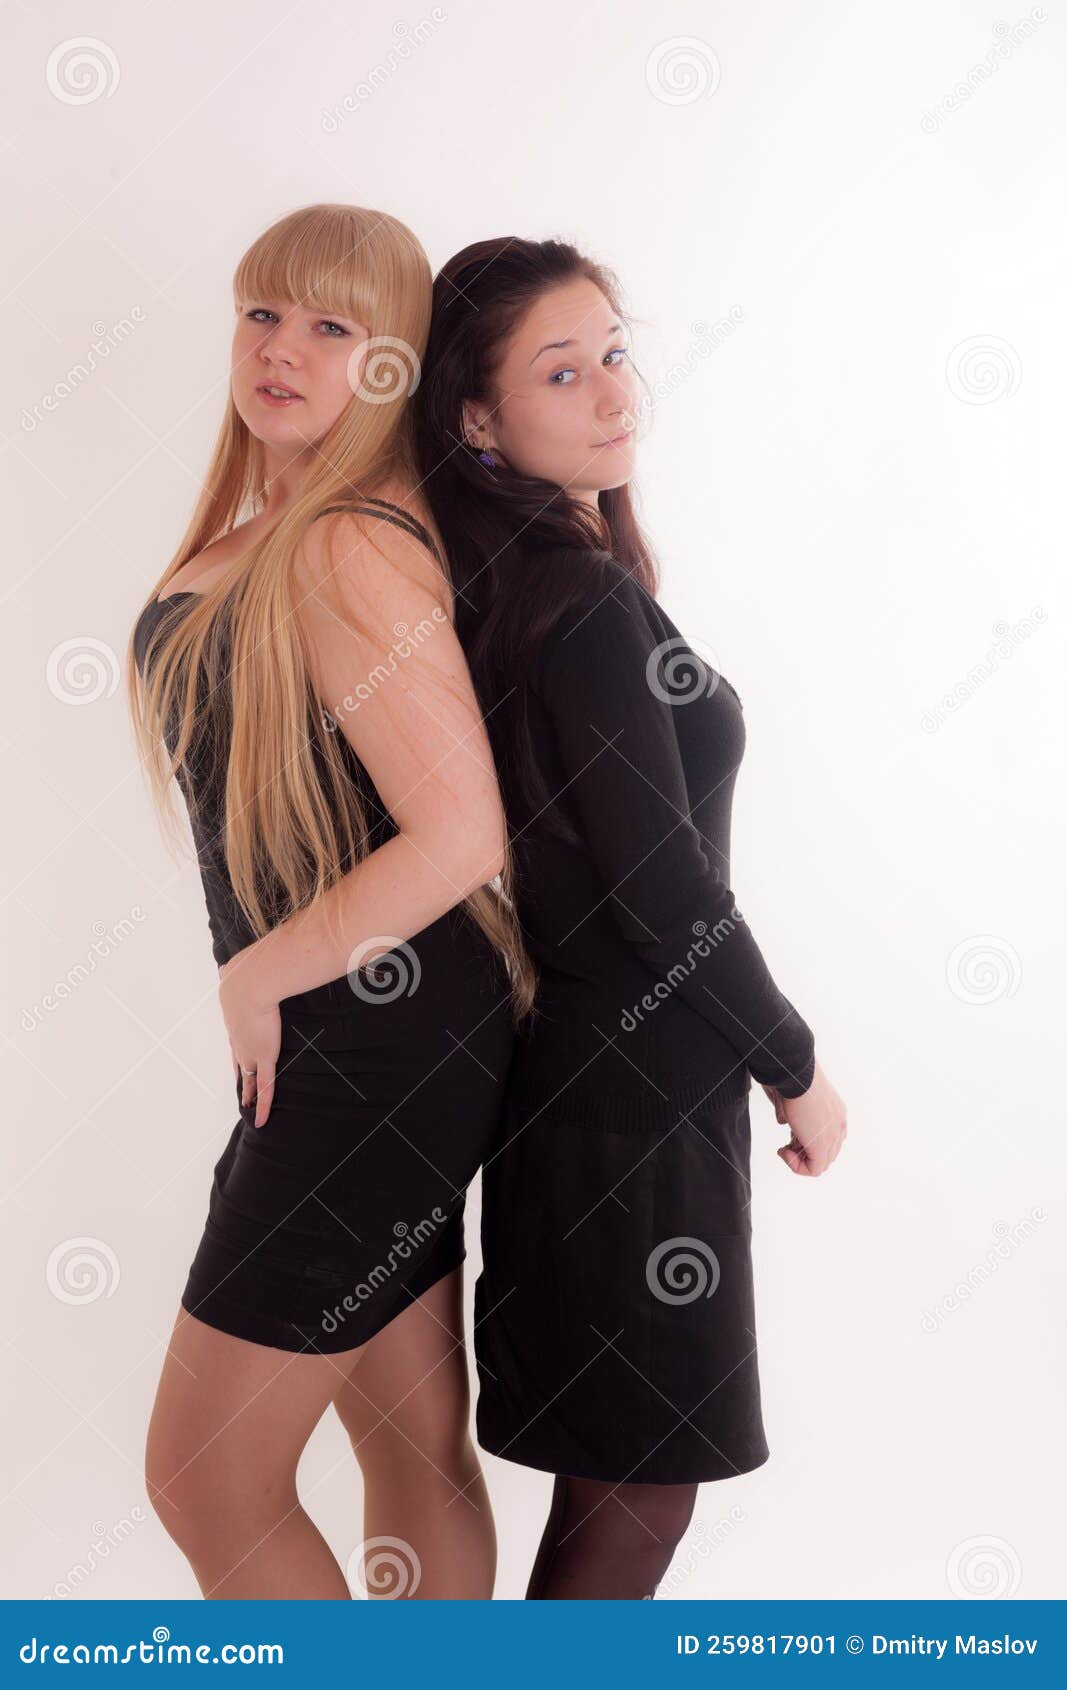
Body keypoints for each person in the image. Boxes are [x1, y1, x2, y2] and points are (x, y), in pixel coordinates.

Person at [416, 236, 848, 1599]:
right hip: (631, 1106)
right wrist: (798, 1062)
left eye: (614, 353)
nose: (613, 392)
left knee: (623, 1488)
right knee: (638, 1492)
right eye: (562, 369)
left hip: (595, 1093)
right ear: (477, 419)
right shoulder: (581, 603)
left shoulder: (529, 587)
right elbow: (666, 897)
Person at [128, 203, 526, 1599]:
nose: (283, 348)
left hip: (373, 1046)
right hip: (366, 1037)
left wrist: (257, 978)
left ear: (393, 370)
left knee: (206, 1473)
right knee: (410, 1440)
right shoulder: (275, 526)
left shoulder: (349, 541)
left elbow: (461, 831)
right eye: (261, 313)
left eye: (334, 325)